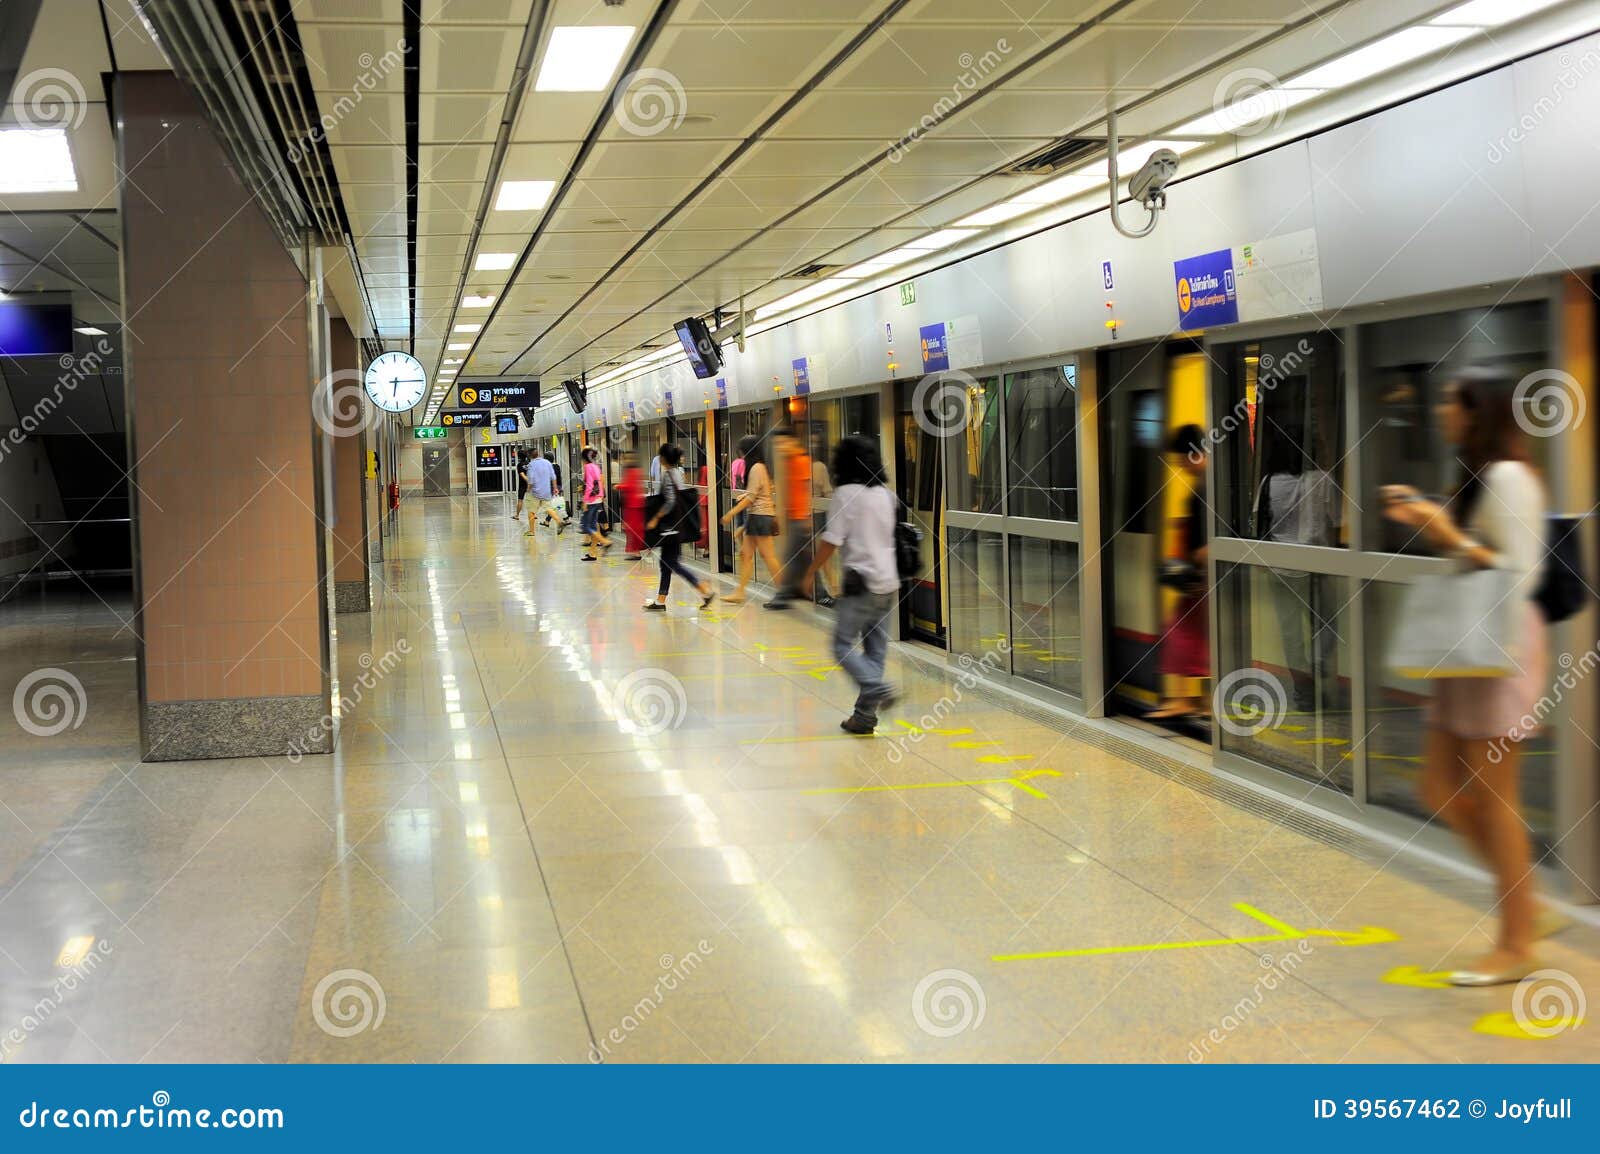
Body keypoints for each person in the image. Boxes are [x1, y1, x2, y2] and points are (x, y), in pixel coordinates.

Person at [1380, 368, 1562, 985]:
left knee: (1494, 794)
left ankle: (1516, 943)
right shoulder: (1483, 475)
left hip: (1500, 646)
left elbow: (1518, 572)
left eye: (1450, 403)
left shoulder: (1511, 477)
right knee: (1438, 786)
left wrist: (1446, 532)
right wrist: (1438, 523)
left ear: (1477, 411)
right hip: (1467, 650)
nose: (1440, 412)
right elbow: (1476, 554)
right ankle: (1527, 903)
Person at [803, 435, 898, 734]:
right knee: (875, 653)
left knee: (841, 644)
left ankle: (877, 687)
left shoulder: (845, 494)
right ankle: (864, 717)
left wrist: (811, 571)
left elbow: (831, 541)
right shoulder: (885, 494)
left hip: (861, 584)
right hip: (889, 582)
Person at [1149, 425, 1210, 721]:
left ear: (1195, 454)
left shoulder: (1207, 486)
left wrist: (1199, 563)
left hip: (1202, 576)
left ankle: (1185, 701)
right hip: (1205, 574)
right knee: (1202, 637)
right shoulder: (1210, 482)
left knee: (1179, 632)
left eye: (1182, 459)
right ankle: (1200, 701)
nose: (1182, 467)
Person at [766, 425, 833, 609]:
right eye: (776, 445)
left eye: (781, 443)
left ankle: (785, 594)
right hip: (794, 518)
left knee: (791, 557)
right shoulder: (789, 461)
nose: (779, 448)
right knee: (803, 558)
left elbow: (805, 491)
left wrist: (805, 519)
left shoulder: (802, 460)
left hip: (801, 519)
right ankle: (817, 593)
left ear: (792, 441)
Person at [643, 443, 715, 613]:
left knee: (672, 563)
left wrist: (656, 518)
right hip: (677, 525)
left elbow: (670, 501)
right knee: (666, 563)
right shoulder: (677, 473)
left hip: (671, 526)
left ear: (664, 458)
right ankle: (661, 600)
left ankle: (704, 591)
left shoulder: (669, 475)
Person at [720, 435, 783, 604]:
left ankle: (784, 593)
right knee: (745, 554)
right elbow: (756, 493)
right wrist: (745, 496)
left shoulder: (756, 468)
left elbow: (752, 498)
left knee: (768, 555)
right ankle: (740, 592)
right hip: (758, 515)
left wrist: (731, 513)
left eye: (742, 451)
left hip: (761, 516)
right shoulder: (759, 467)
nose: (741, 455)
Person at [579, 445, 612, 560]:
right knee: (593, 526)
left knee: (587, 526)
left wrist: (585, 501)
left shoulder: (588, 467)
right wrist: (602, 495)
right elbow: (600, 483)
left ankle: (605, 542)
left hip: (591, 500)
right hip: (598, 499)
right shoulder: (596, 467)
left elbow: (589, 486)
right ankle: (592, 553)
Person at [523, 449, 563, 539]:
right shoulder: (547, 463)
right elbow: (553, 476)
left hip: (535, 493)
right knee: (548, 508)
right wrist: (555, 488)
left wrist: (528, 490)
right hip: (546, 491)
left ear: (530, 456)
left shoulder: (531, 465)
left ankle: (532, 531)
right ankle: (559, 521)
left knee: (531, 511)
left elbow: (531, 480)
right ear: (538, 454)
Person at [618, 450, 646, 560]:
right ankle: (635, 551)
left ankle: (636, 551)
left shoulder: (633, 471)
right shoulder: (632, 470)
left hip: (633, 505)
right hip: (632, 504)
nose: (628, 460)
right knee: (632, 529)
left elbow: (630, 486)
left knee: (633, 529)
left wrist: (619, 486)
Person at [540, 450, 572, 530]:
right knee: (555, 505)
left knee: (553, 506)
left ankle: (565, 519)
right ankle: (548, 521)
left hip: (551, 488)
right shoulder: (557, 466)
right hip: (558, 486)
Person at [512, 449, 529, 520]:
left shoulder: (519, 465)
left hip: (522, 485)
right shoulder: (529, 463)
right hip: (530, 485)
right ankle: (533, 515)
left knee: (520, 500)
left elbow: (522, 474)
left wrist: (528, 481)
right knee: (531, 500)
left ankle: (517, 515)